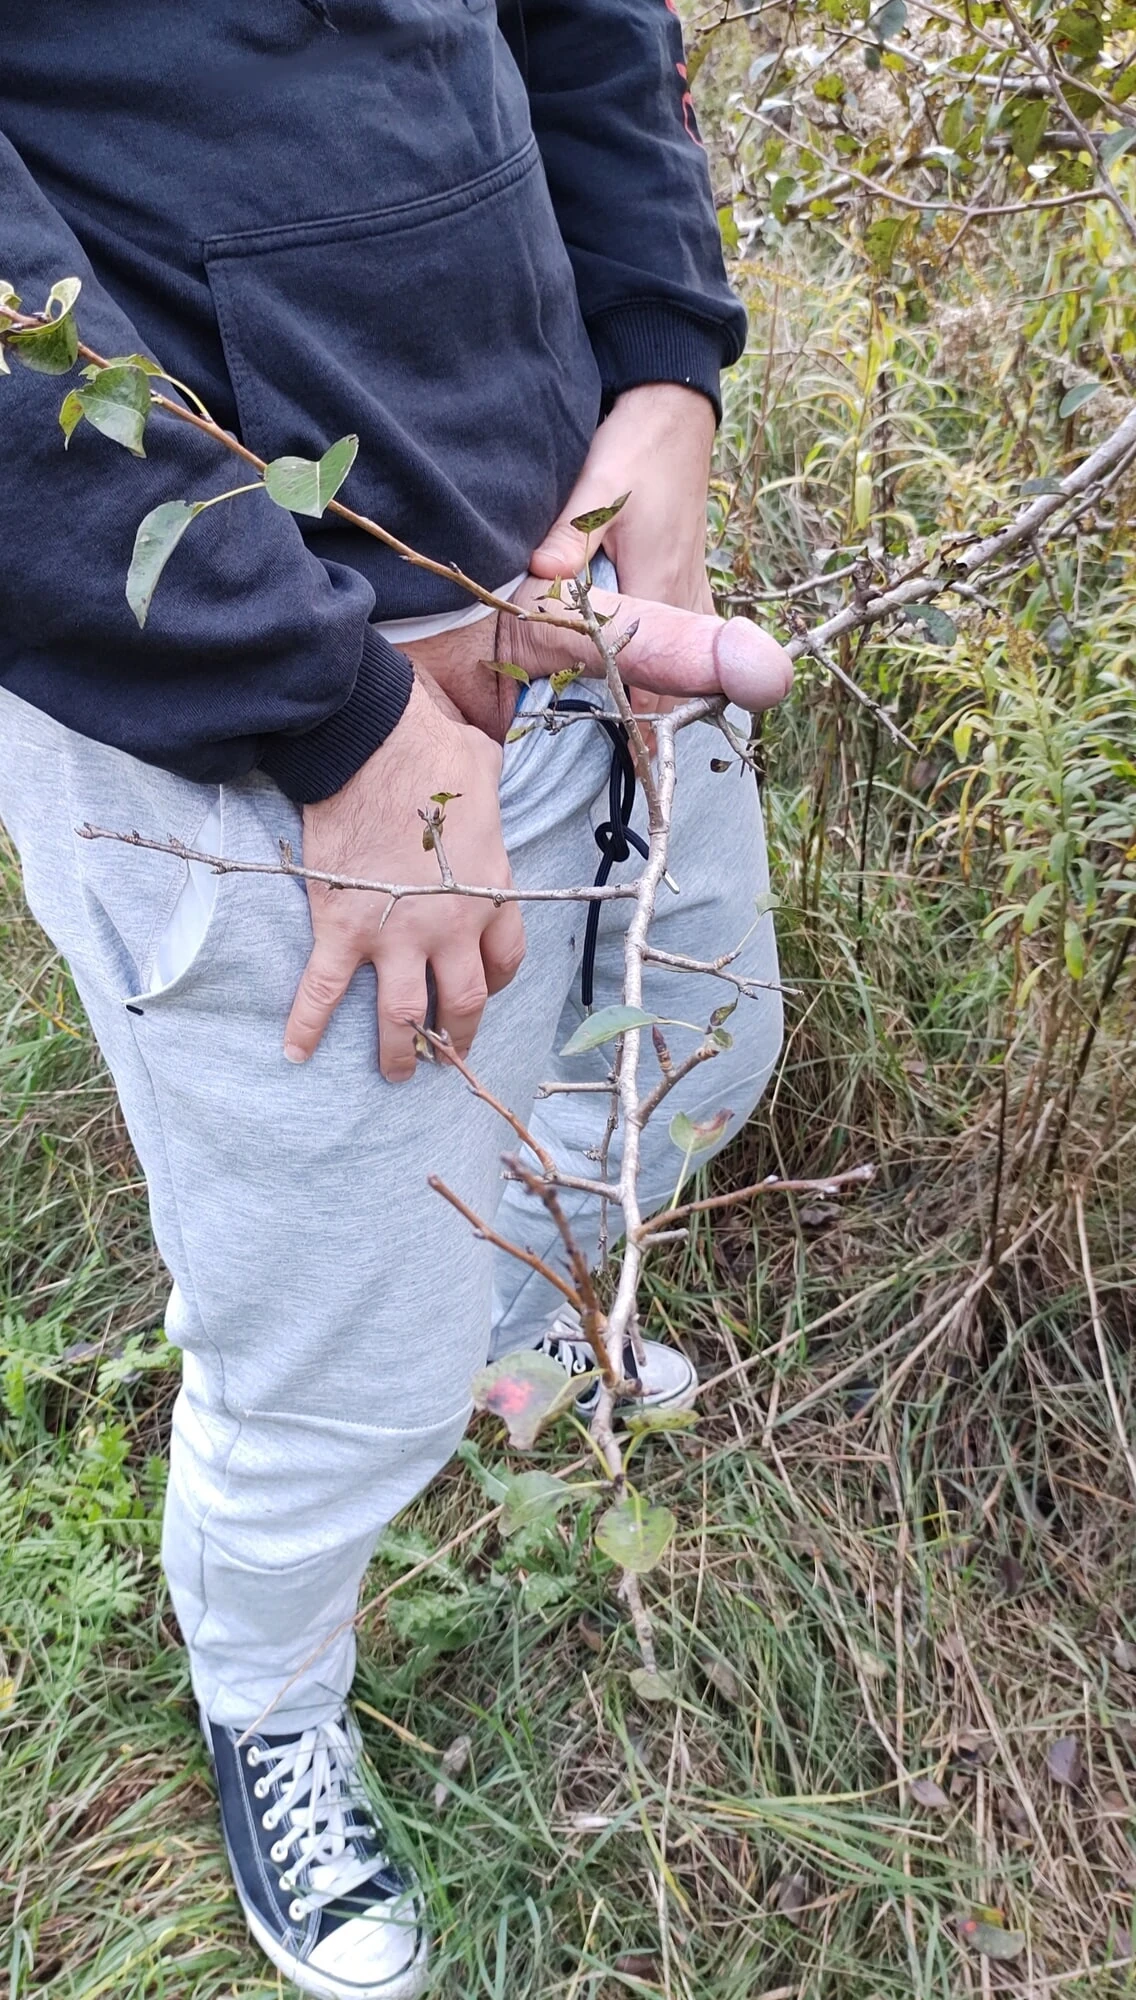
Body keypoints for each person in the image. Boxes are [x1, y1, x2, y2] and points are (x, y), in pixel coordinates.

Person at [0, 5, 792, 1994]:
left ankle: (512, 1353)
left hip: (575, 590)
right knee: (334, 1343)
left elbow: (582, 25)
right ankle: (266, 1687)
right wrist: (329, 713)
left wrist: (667, 368)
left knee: (692, 1047)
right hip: (264, 687)